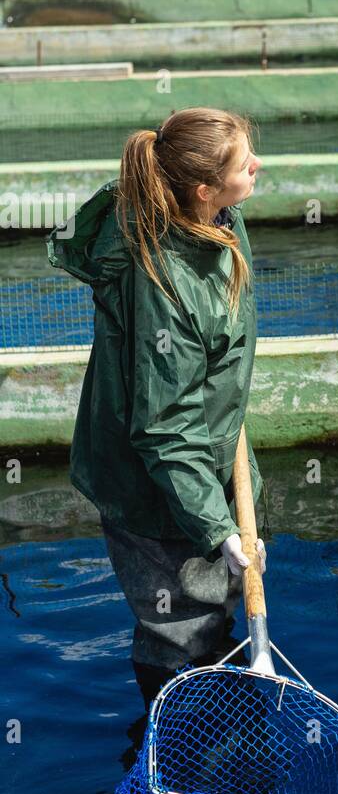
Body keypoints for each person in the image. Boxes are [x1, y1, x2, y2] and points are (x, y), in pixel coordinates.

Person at [47, 107, 268, 696]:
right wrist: (218, 529)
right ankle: (169, 743)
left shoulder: (218, 217)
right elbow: (165, 429)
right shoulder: (163, 284)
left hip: (200, 469)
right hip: (150, 488)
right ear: (202, 190)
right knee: (178, 636)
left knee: (212, 616)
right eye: (245, 164)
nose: (257, 166)